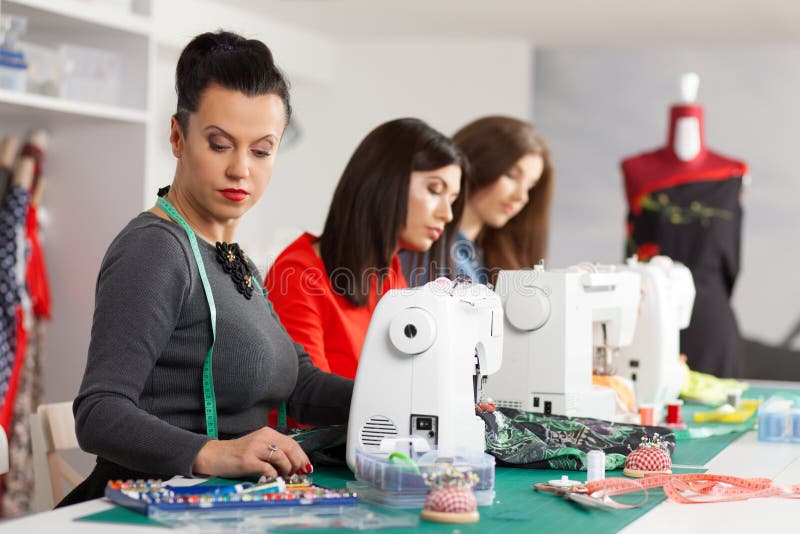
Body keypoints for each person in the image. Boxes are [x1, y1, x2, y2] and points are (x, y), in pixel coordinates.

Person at [63, 30, 352, 506]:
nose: (241, 169)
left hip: (223, 506)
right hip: (152, 510)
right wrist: (215, 453)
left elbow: (298, 385)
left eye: (261, 150)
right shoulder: (155, 251)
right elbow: (98, 413)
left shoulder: (235, 261)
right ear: (177, 137)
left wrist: (401, 400)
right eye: (220, 144)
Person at [264, 118, 467, 381]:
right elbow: (310, 402)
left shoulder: (389, 272)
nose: (447, 214)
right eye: (434, 190)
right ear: (385, 182)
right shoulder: (299, 276)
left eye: (452, 200)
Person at [402, 116, 554, 286]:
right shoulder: (425, 253)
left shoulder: (489, 261)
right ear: (478, 163)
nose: (522, 197)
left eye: (530, 187)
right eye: (511, 176)